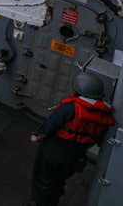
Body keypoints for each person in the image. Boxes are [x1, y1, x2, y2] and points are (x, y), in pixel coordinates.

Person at [30, 72, 115, 206]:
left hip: (53, 155)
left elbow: (50, 125)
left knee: (44, 184)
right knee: (58, 182)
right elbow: (99, 139)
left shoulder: (70, 107)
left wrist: (36, 136)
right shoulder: (103, 115)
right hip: (73, 158)